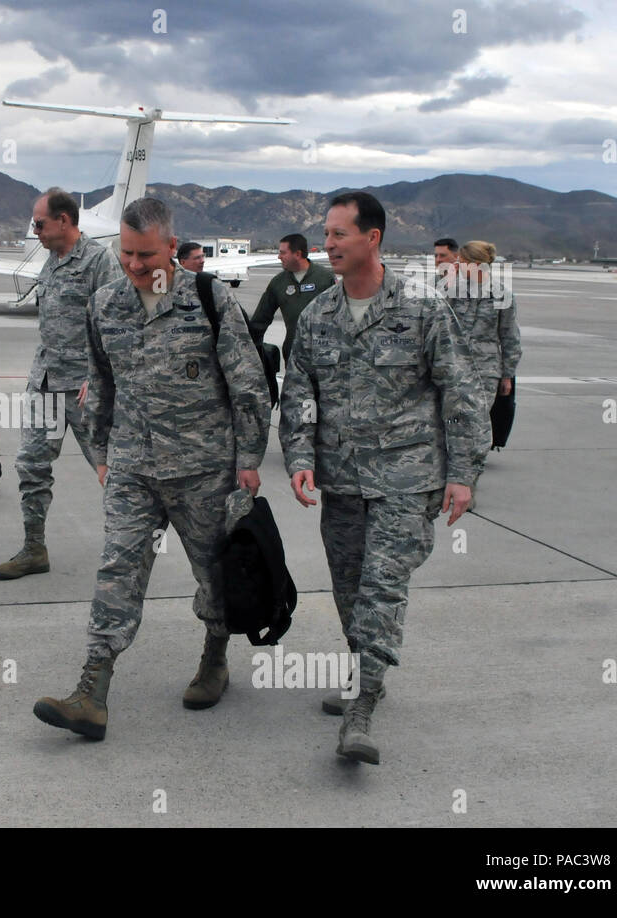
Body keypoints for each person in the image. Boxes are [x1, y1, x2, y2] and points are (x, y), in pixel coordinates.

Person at [32, 197, 271, 740]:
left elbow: (248, 387)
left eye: (146, 255)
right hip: (133, 469)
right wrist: (101, 454)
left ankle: (215, 657)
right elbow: (100, 386)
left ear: (171, 246)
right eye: (125, 254)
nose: (135, 266)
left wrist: (250, 461)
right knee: (117, 570)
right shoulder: (105, 305)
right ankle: (91, 690)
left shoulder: (209, 300)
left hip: (204, 470)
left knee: (212, 573)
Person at [278, 192, 489, 765]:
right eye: (326, 233)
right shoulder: (318, 315)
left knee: (380, 591)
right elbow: (299, 394)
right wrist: (299, 458)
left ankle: (361, 709)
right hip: (342, 482)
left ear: (372, 238)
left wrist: (463, 473)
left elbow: (460, 392)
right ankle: (367, 672)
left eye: (340, 234)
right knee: (349, 591)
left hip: (407, 478)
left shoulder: (422, 309)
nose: (328, 243)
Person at [0, 188, 123, 579]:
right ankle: (34, 549)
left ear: (64, 221)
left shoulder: (100, 262)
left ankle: (126, 551)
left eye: (40, 223)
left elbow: (118, 325)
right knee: (31, 466)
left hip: (85, 391)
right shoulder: (50, 261)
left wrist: (99, 378)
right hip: (46, 384)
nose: (36, 231)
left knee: (111, 471)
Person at [451, 240, 521, 407]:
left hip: (485, 371)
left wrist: (507, 375)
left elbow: (510, 337)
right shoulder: (453, 290)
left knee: (478, 422)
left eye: (462, 262)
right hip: (453, 368)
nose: (458, 266)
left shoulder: (502, 295)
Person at [247, 233, 336, 363]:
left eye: (283, 253)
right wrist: (250, 350)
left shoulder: (325, 278)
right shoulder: (278, 283)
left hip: (325, 355)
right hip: (293, 355)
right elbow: (259, 321)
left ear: (298, 254)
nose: (279, 257)